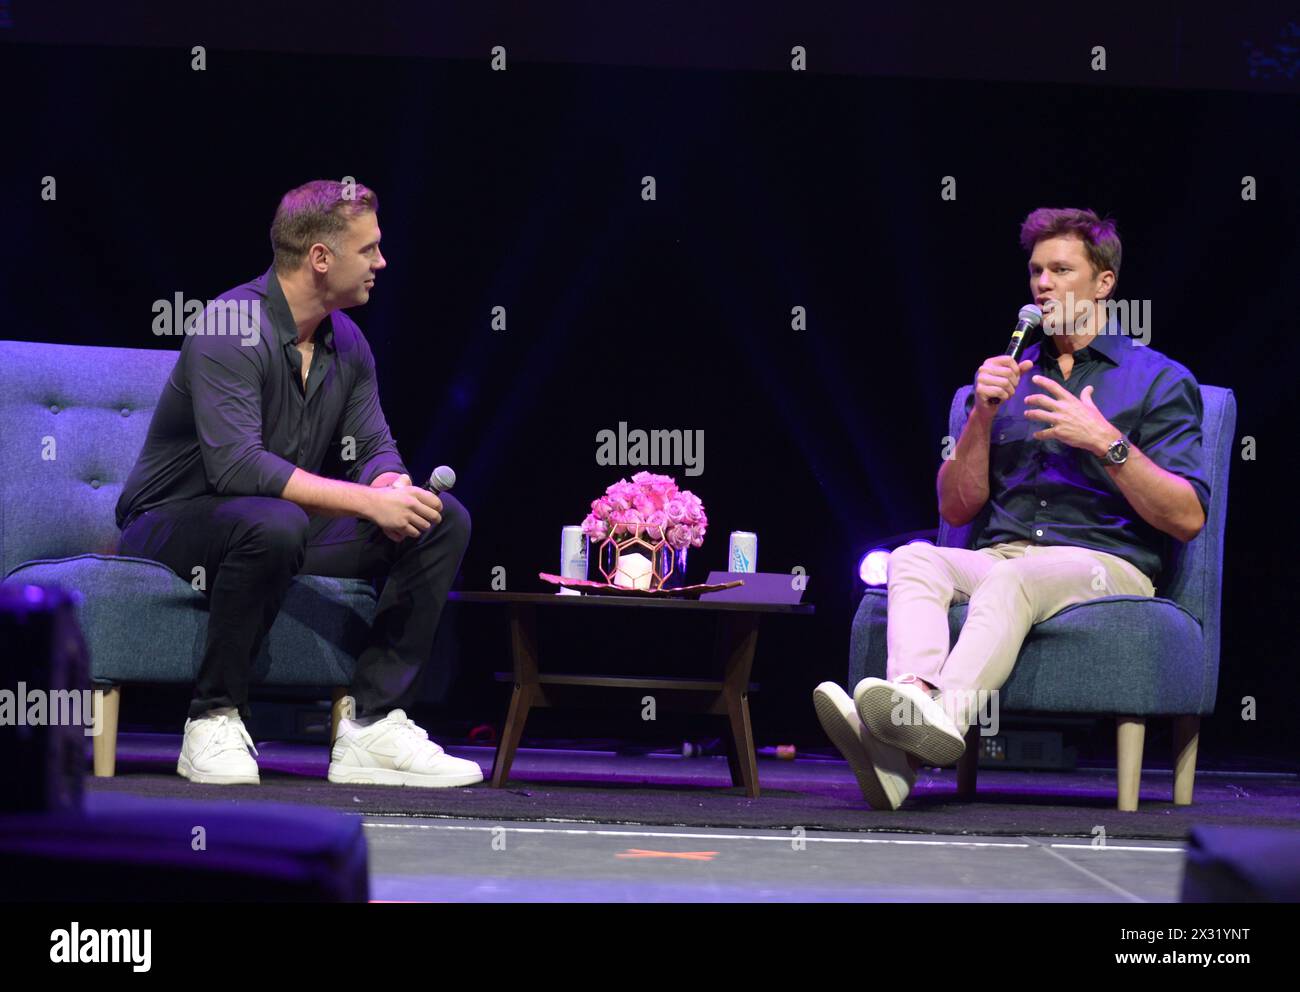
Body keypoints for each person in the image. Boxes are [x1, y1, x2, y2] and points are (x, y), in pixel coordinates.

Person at [814, 207, 1211, 810]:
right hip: (1005, 555)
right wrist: (981, 415)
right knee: (916, 559)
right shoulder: (1008, 380)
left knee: (1012, 578)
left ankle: (944, 722)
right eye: (1035, 271)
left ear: (1103, 282)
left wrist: (1104, 440)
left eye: (1060, 269)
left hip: (1106, 566)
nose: (1042, 284)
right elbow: (956, 504)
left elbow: (1187, 517)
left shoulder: (1157, 380)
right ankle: (906, 716)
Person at [116, 179, 483, 788]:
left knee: (439, 520)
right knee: (272, 520)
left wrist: (391, 485)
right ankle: (213, 717)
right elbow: (237, 469)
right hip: (172, 523)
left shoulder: (348, 340)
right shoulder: (230, 326)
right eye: (368, 250)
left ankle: (371, 725)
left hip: (269, 527)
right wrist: (368, 500)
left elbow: (373, 448)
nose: (381, 262)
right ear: (320, 257)